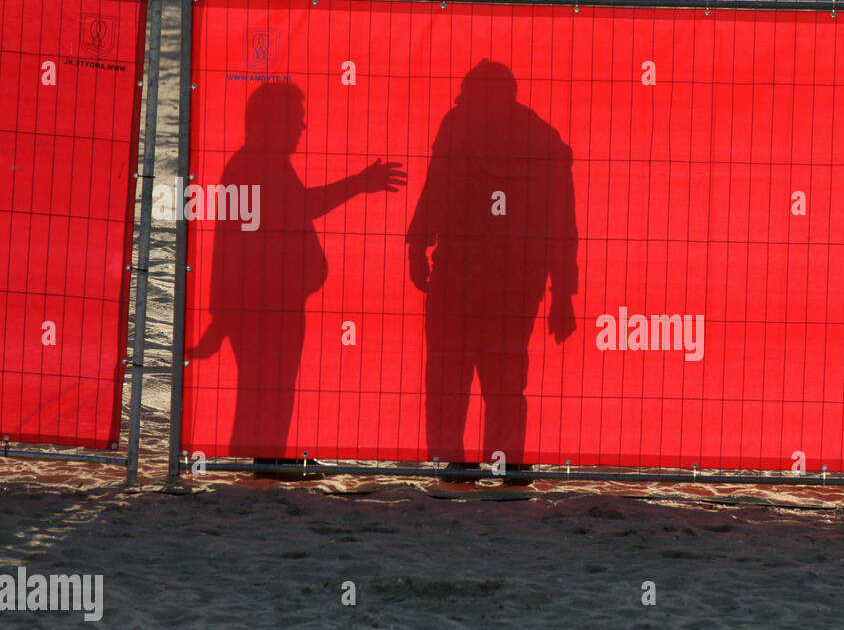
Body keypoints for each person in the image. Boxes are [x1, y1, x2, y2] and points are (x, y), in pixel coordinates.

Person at [188, 82, 405, 476]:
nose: (302, 129)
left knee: (270, 390)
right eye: (295, 120)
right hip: (265, 306)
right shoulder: (255, 164)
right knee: (268, 389)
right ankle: (269, 464)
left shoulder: (262, 162)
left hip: (271, 303)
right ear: (271, 122)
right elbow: (299, 208)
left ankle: (273, 459)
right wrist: (358, 183)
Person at [407, 60, 579, 486]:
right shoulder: (544, 140)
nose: (460, 101)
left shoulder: (459, 125)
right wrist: (562, 292)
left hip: (461, 272)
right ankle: (508, 463)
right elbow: (562, 223)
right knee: (505, 374)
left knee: (450, 372)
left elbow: (435, 187)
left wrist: (417, 244)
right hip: (516, 279)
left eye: (467, 94)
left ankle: (453, 462)